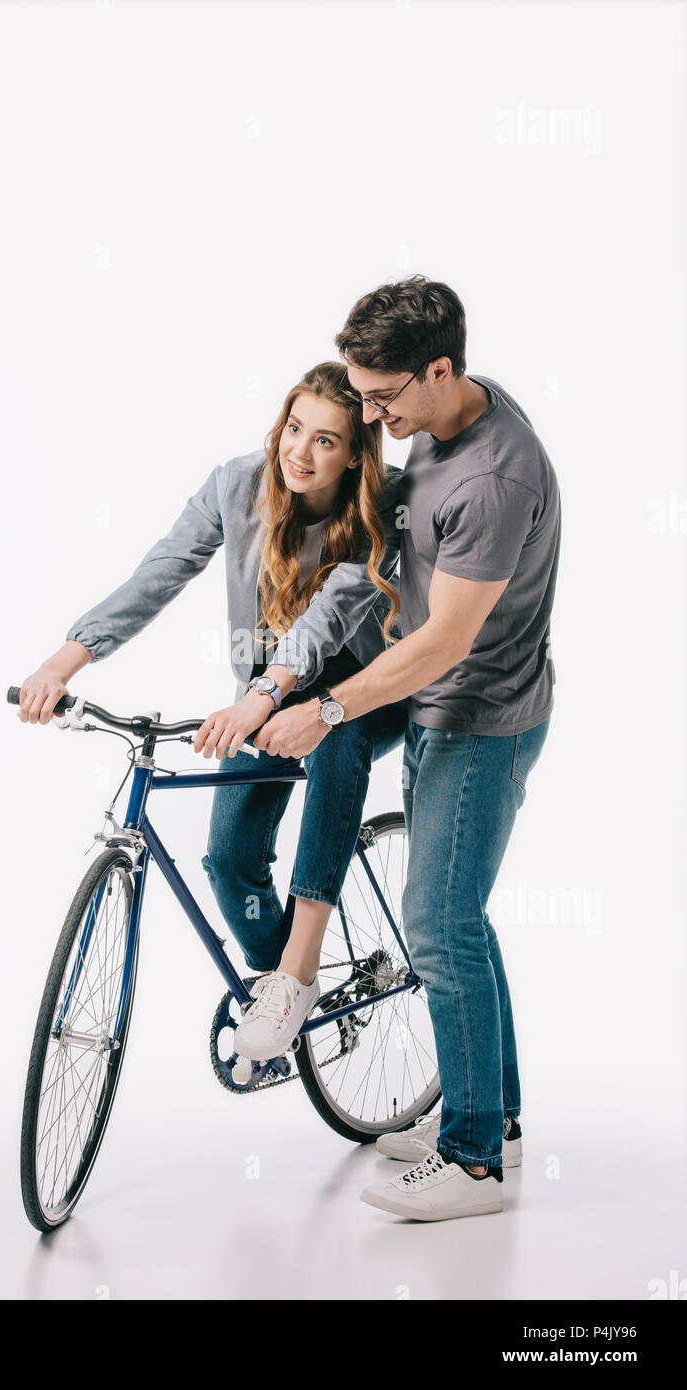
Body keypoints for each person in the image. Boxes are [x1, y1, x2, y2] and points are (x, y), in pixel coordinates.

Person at [252, 278, 560, 1222]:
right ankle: (491, 1117)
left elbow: (443, 643)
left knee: (437, 924)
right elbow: (376, 571)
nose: (373, 419)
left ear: (440, 369)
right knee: (460, 917)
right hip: (426, 692)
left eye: (384, 398)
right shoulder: (442, 415)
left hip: (476, 715)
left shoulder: (492, 477)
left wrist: (327, 709)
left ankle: (472, 1167)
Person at [16, 361, 408, 1078]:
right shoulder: (235, 485)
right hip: (267, 700)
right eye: (294, 428)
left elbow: (327, 621)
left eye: (324, 440)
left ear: (355, 452)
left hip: (357, 697)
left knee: (337, 743)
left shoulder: (377, 513)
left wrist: (262, 695)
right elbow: (160, 572)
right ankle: (286, 996)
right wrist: (63, 663)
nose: (298, 451)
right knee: (228, 860)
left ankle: (295, 973)